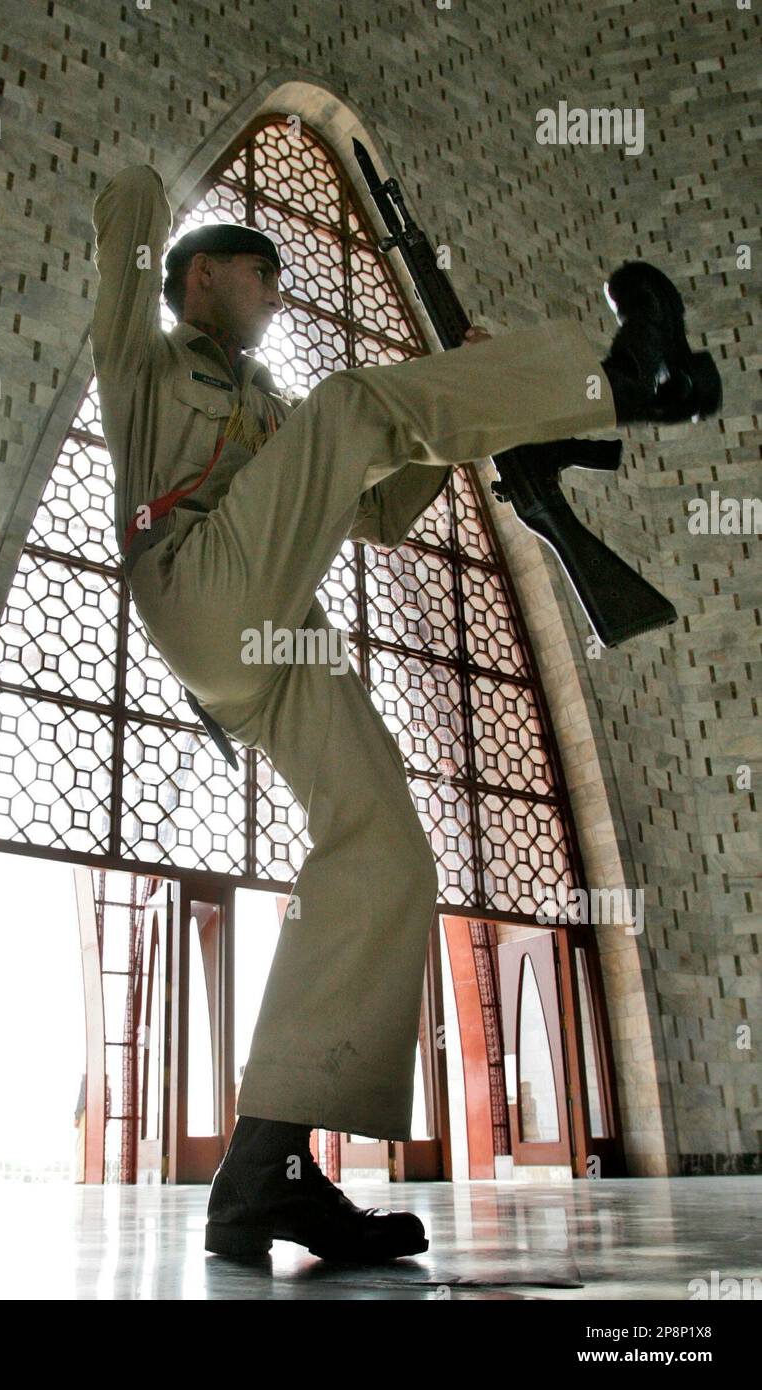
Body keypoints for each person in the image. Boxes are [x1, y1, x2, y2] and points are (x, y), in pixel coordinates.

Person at [89, 163, 721, 1263]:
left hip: (280, 630)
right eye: (257, 270)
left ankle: (264, 1171)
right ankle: (622, 380)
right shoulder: (143, 365)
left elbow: (383, 504)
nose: (276, 290)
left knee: (387, 858)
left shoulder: (278, 410)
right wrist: (151, 175)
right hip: (196, 588)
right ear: (195, 283)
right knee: (355, 401)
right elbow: (129, 234)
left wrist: (469, 395)